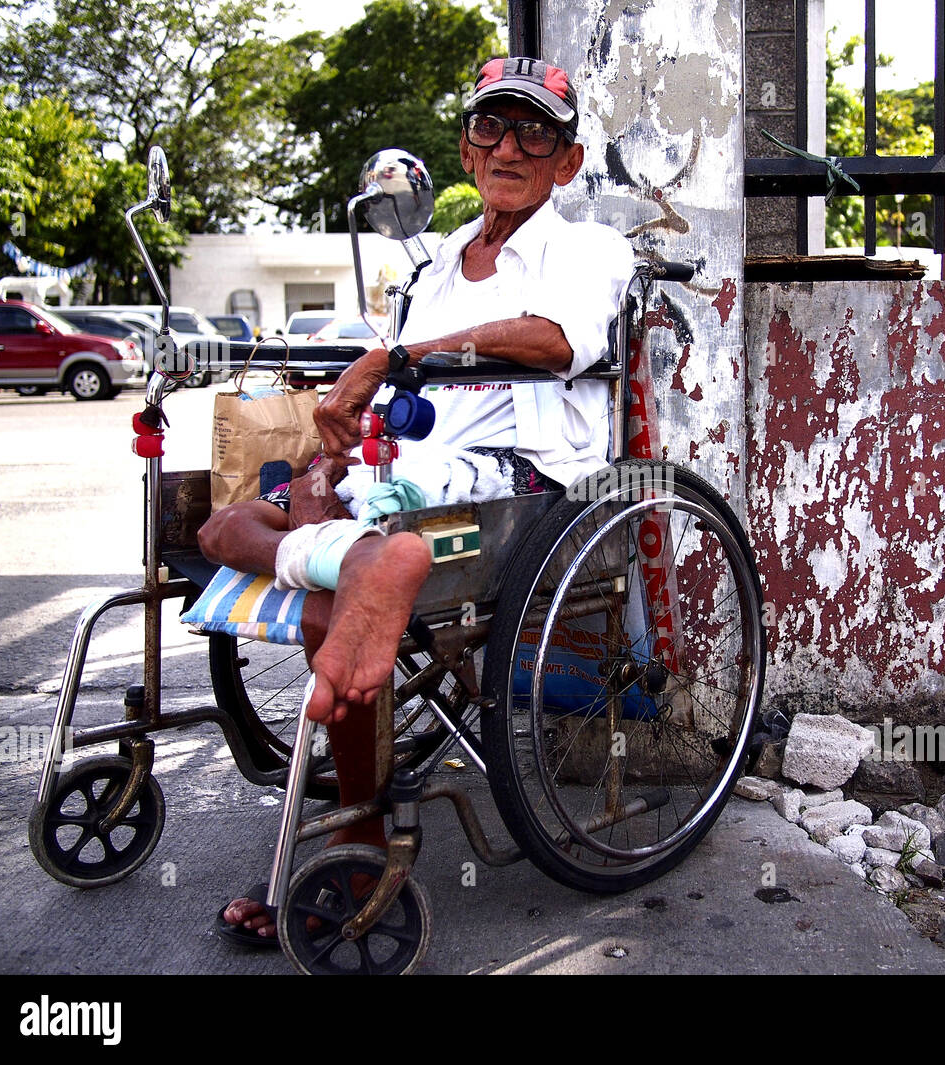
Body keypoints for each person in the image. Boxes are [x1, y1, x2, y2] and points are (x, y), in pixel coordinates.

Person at [202, 56, 634, 942]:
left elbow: (553, 342)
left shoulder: (589, 246)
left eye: (535, 133)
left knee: (332, 608)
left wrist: (393, 358)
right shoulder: (432, 264)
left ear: (567, 159)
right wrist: (330, 463)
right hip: (411, 476)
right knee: (223, 519)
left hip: (522, 483)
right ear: (466, 151)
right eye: (490, 128)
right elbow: (391, 398)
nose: (509, 146)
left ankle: (354, 829)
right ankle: (362, 560)